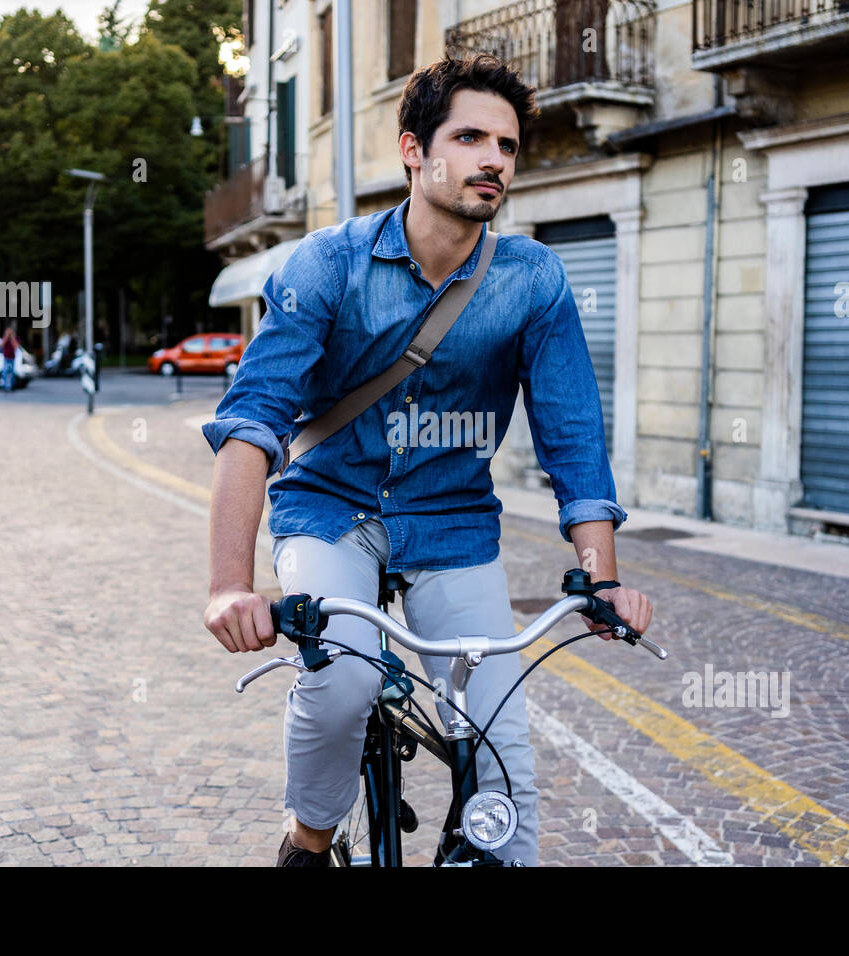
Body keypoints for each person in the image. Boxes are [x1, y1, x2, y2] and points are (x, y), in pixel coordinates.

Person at [201, 54, 653, 868]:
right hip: (328, 506)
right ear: (414, 150)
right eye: (470, 137)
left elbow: (574, 441)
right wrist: (231, 586)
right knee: (343, 680)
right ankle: (306, 841)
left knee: (502, 742)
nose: (493, 160)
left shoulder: (533, 281)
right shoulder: (325, 265)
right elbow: (252, 426)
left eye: (508, 146)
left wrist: (601, 577)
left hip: (451, 523)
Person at [0, 326, 19, 391]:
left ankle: (13, 385)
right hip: (6, 357)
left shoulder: (15, 338)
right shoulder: (5, 338)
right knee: (5, 372)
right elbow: (1, 345)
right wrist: (6, 336)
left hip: (12, 357)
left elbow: (16, 346)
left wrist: (12, 337)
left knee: (12, 372)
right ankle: (5, 386)